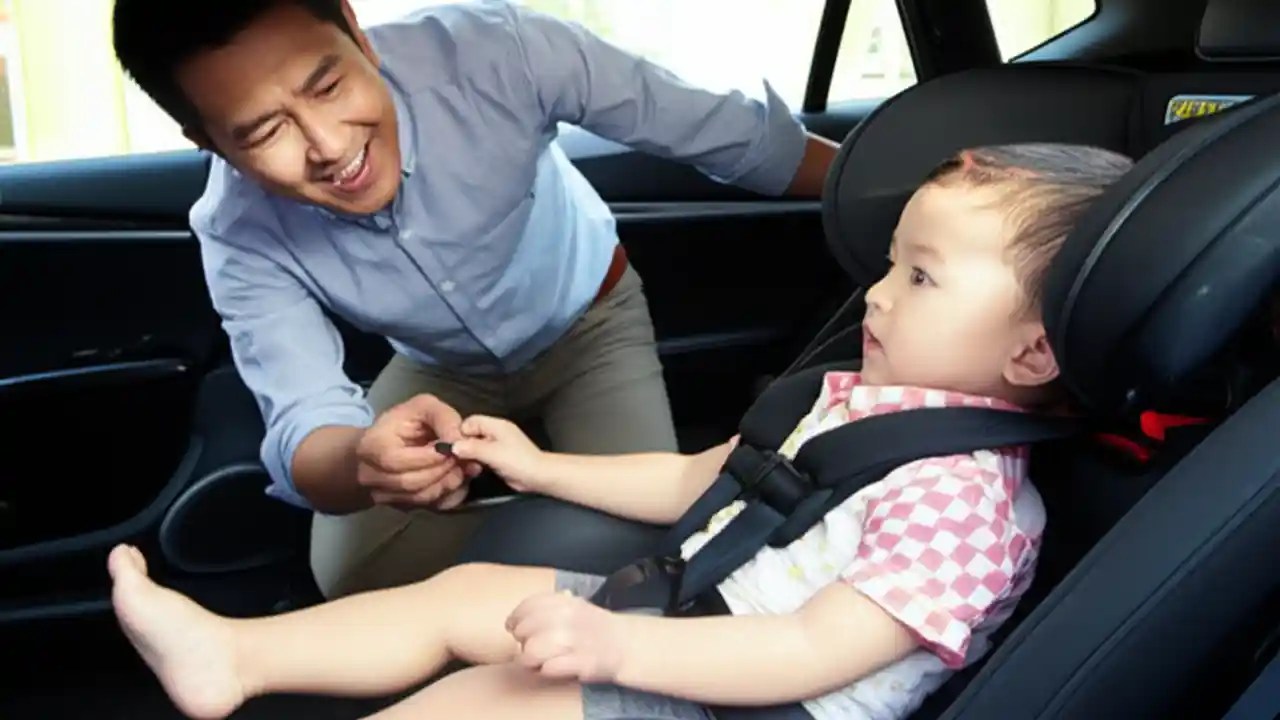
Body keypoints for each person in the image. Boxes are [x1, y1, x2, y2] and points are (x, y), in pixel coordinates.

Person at [106, 143, 1134, 720]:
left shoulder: (965, 501)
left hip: (759, 703)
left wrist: (617, 647)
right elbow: (709, 482)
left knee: (501, 701)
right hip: (700, 615)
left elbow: (813, 653)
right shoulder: (868, 400)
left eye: (917, 277)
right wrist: (537, 463)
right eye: (887, 263)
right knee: (467, 595)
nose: (873, 295)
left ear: (1033, 355)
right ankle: (234, 655)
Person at [110, 0, 841, 597]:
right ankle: (531, 557)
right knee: (350, 576)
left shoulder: (500, 53)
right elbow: (305, 423)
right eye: (266, 131)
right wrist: (367, 458)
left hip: (591, 321)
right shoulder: (237, 233)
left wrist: (907, 185)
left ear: (355, 28)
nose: (329, 146)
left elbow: (734, 139)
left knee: (648, 553)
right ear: (205, 140)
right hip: (440, 366)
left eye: (328, 86)